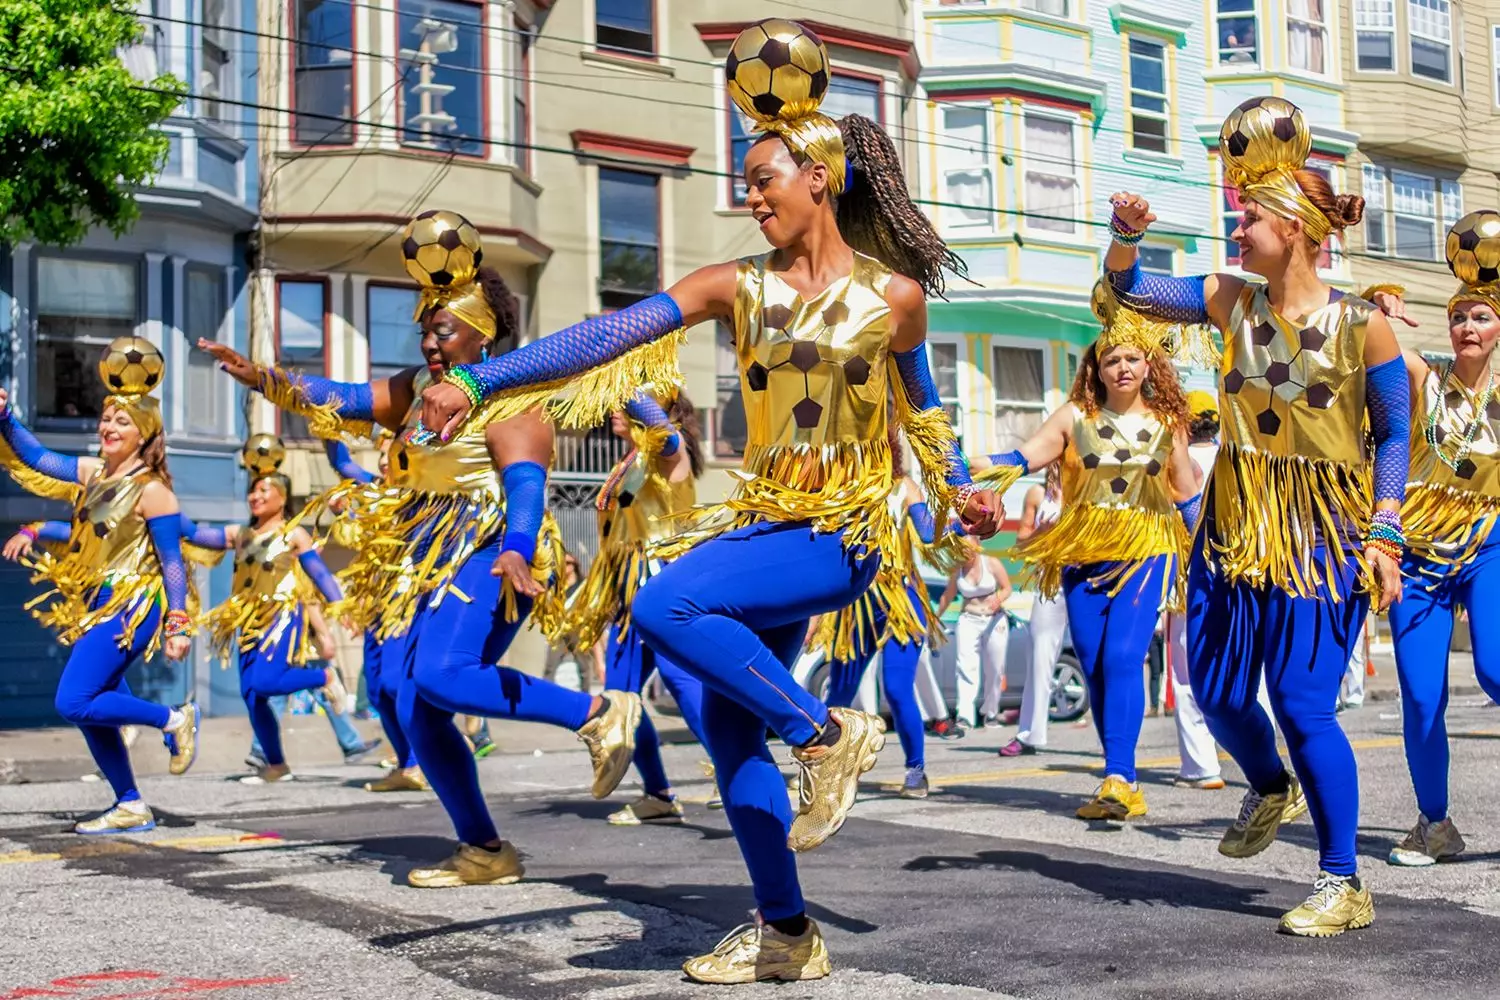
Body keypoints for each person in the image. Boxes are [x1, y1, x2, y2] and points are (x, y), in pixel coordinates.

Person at [403, 20, 998, 983]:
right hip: (763, 518)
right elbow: (607, 335)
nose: (747, 194)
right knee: (724, 727)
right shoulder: (735, 286)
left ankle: (827, 732)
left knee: (664, 602)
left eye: (763, 178)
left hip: (841, 528)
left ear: (819, 179)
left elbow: (923, 414)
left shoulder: (894, 299)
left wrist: (963, 494)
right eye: (746, 179)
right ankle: (787, 935)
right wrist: (480, 384)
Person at [200, 234, 641, 887]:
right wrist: (264, 377)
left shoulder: (512, 403)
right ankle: (485, 851)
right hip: (424, 557)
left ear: (484, 337)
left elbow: (524, 487)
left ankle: (598, 712)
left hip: (490, 548)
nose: (431, 345)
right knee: (412, 705)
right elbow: (341, 397)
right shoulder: (417, 391)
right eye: (426, 332)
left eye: (445, 332)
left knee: (441, 675)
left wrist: (518, 550)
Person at [1105, 96, 1409, 936]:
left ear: (1299, 226)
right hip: (1233, 523)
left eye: (1250, 219)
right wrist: (1125, 232)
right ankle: (1268, 786)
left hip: (1323, 531)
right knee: (1217, 688)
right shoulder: (1228, 301)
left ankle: (1343, 881)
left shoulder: (1365, 327)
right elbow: (1129, 288)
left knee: (1303, 701)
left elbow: (1394, 433)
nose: (1238, 231)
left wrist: (1383, 530)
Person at [983, 282, 1200, 819]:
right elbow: (1029, 454)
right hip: (1082, 552)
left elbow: (1186, 491)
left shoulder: (1167, 425)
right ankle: (1116, 772)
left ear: (1149, 365)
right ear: (1096, 368)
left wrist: (1204, 554)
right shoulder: (1073, 416)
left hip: (1147, 546)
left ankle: (1119, 777)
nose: (1122, 367)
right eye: (1111, 360)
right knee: (1099, 663)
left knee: (1126, 656)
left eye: (1131, 358)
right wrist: (974, 467)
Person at [0, 342, 201, 834]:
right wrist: (6, 419)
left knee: (73, 700)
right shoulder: (94, 473)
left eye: (122, 422)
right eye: (107, 418)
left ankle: (173, 718)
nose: (109, 427)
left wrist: (177, 622)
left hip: (134, 604)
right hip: (98, 602)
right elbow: (40, 458)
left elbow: (172, 561)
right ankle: (129, 802)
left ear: (144, 434)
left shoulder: (154, 491)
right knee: (95, 710)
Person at [1386, 223, 1500, 866]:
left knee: (1495, 668)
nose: (1467, 328)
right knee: (1422, 695)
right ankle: (1435, 824)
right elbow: (1359, 333)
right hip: (1420, 554)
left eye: (1481, 317)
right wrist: (1381, 307)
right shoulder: (1425, 379)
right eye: (1459, 317)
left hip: (1490, 545)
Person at [567, 390, 709, 826]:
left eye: (622, 405)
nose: (613, 410)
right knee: (622, 696)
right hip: (628, 589)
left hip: (662, 582)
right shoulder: (629, 461)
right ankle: (659, 794)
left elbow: (665, 438)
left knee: (680, 679)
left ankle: (741, 764)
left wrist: (631, 385)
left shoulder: (670, 451)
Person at [175, 441, 350, 784]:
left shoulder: (293, 534)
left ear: (282, 497)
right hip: (246, 618)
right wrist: (163, 508)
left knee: (268, 681)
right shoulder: (239, 535)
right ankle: (276, 764)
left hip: (283, 613)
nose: (255, 497)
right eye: (252, 492)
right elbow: (195, 533)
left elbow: (319, 574)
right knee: (253, 696)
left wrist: (339, 605)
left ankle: (326, 678)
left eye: (263, 491)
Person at [822, 467, 958, 799]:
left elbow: (927, 532)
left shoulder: (903, 486)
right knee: (839, 694)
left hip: (900, 603)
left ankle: (916, 771)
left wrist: (959, 521)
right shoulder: (841, 485)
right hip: (856, 604)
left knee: (896, 689)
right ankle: (824, 769)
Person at [318, 437, 427, 791]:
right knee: (378, 691)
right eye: (380, 457)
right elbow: (344, 464)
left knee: (395, 684)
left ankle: (425, 758)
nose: (383, 463)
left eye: (391, 456)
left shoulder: (422, 492)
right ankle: (408, 764)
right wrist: (325, 424)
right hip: (378, 605)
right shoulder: (375, 493)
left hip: (408, 602)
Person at [1164, 390, 1227, 790]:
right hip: (1241, 572)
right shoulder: (1235, 456)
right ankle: (1262, 758)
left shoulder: (1178, 462)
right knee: (1250, 669)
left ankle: (1201, 766)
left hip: (1190, 577)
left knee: (1186, 675)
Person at [989, 460, 1065, 757]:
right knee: (1040, 655)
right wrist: (1042, 532)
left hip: (1087, 578)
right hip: (1050, 581)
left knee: (1100, 658)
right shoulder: (1037, 494)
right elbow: (1020, 542)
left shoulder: (1087, 486)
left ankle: (1115, 741)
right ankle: (1029, 734)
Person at [936, 545, 1012, 732]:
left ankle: (991, 712)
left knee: (995, 668)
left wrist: (998, 599)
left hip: (994, 619)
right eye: (960, 550)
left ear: (976, 546)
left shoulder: (991, 563)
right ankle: (965, 716)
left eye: (968, 549)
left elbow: (1007, 587)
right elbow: (948, 595)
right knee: (965, 667)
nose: (965, 554)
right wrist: (934, 618)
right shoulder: (957, 570)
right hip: (969, 619)